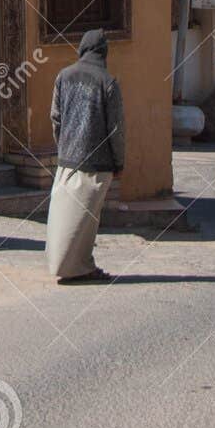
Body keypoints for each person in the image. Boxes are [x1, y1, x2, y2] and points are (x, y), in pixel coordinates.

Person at [44, 29, 125, 285]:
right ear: (104, 52)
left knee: (66, 219)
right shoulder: (108, 82)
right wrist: (119, 162)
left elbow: (55, 118)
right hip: (97, 164)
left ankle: (75, 266)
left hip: (67, 161)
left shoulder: (63, 76)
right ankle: (80, 267)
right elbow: (116, 130)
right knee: (86, 222)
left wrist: (64, 147)